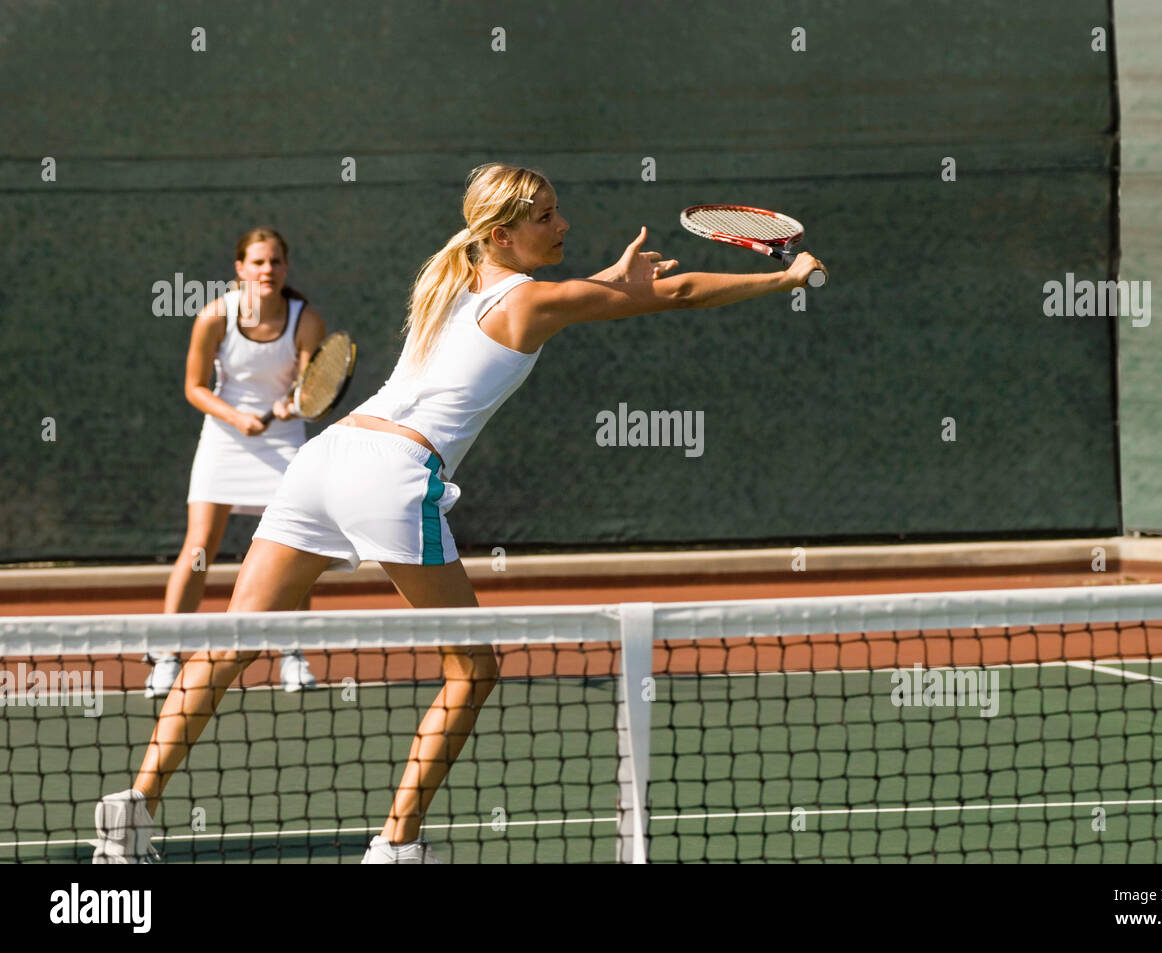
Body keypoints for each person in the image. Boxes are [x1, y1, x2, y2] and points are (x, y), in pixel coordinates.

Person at [92, 163, 825, 864]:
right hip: (392, 476)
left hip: (325, 461)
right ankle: (397, 842)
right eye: (546, 216)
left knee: (229, 646)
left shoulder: (451, 278)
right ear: (502, 234)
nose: (563, 222)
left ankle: (131, 808)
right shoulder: (533, 302)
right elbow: (684, 292)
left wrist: (608, 280)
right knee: (472, 670)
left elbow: (555, 296)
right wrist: (784, 275)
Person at [146, 228, 324, 697]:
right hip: (225, 438)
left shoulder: (305, 320)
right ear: (240, 268)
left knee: (295, 548)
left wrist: (293, 403)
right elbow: (195, 387)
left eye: (276, 262)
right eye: (258, 262)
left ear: (286, 268)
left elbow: (310, 387)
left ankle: (292, 652)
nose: (268, 270)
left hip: (284, 441)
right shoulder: (214, 316)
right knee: (200, 545)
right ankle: (166, 654)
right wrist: (237, 417)